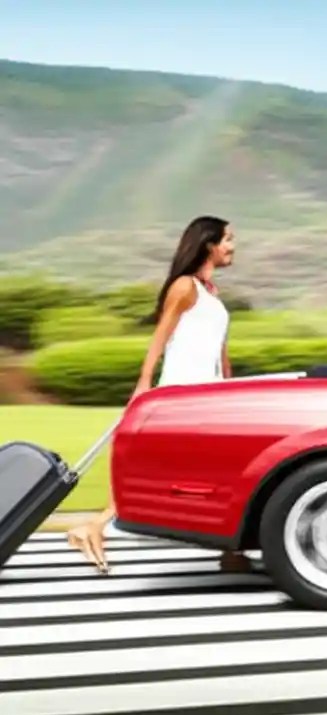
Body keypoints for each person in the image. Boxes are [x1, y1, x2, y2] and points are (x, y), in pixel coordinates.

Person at [66, 215, 251, 574]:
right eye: (228, 239)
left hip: (209, 398)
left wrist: (233, 390)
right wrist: (144, 385)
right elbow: (160, 338)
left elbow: (221, 351)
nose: (233, 246)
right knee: (156, 469)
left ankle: (232, 550)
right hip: (180, 395)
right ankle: (95, 526)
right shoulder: (184, 287)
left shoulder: (212, 294)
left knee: (216, 470)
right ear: (209, 244)